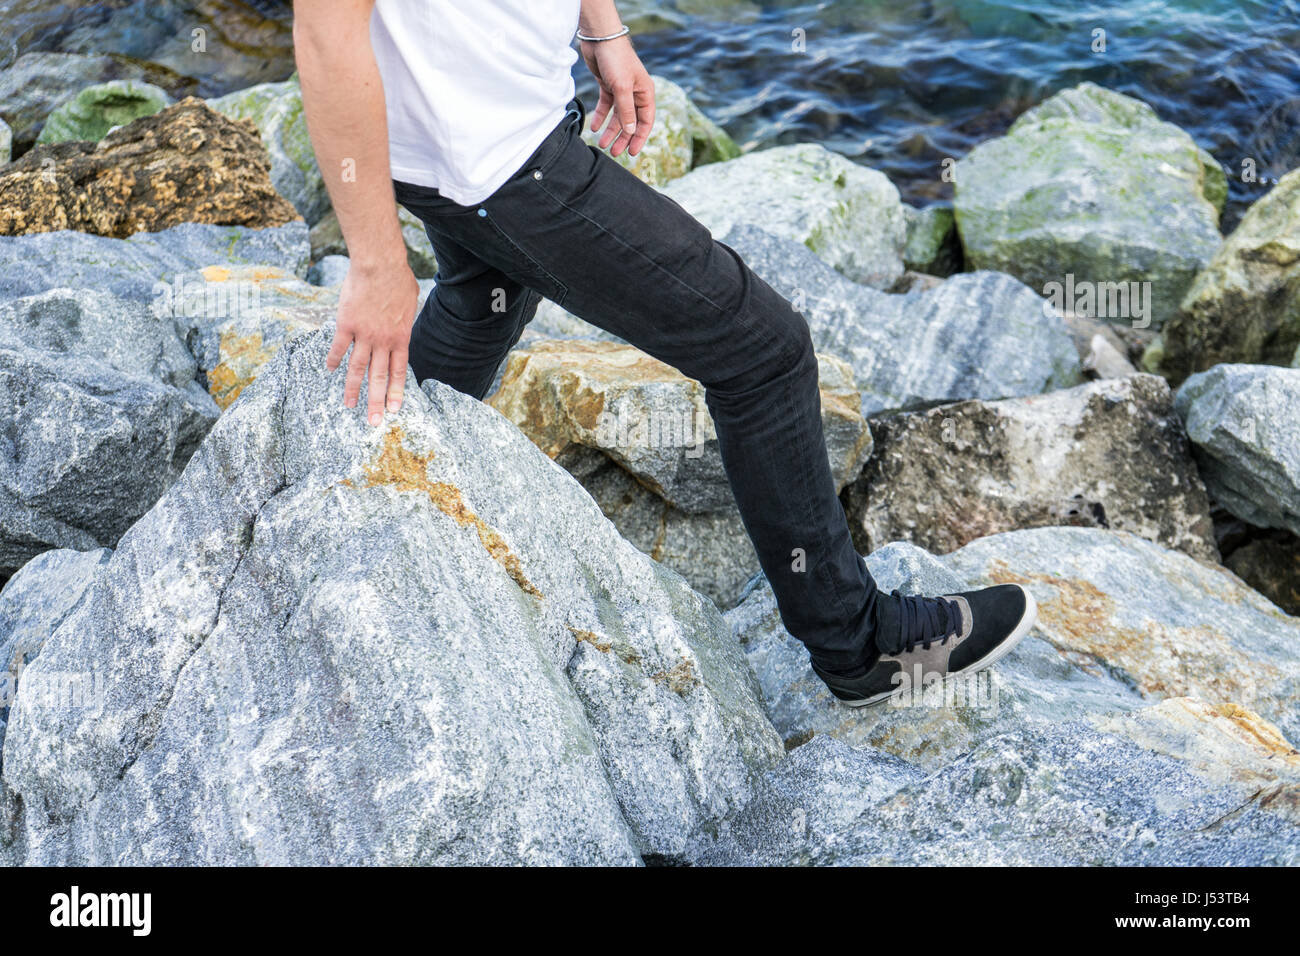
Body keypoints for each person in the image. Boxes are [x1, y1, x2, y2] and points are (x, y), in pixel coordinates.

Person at [293, 0, 1038, 706]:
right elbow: (327, 35)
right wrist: (373, 258)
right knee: (763, 352)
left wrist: (601, 28)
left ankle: (360, 489)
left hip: (481, 133)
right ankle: (858, 646)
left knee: (483, 294)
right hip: (495, 157)